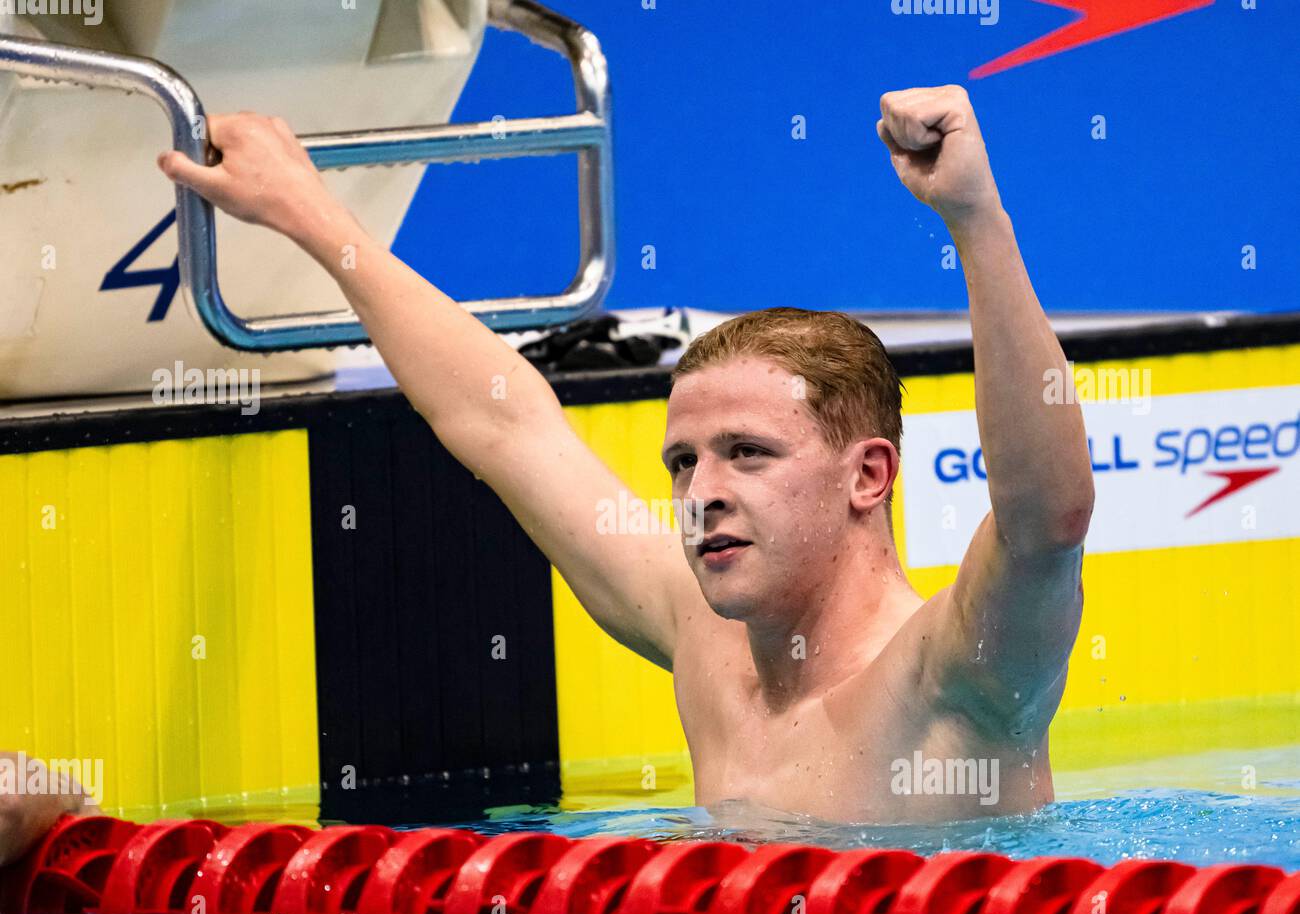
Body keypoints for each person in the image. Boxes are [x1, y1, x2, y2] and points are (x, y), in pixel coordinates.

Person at [155, 85, 1093, 824]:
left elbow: (1045, 518)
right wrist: (315, 220)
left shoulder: (954, 679)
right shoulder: (705, 642)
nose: (703, 495)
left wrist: (975, 221)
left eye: (748, 453)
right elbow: (506, 425)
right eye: (683, 463)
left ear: (868, 475)